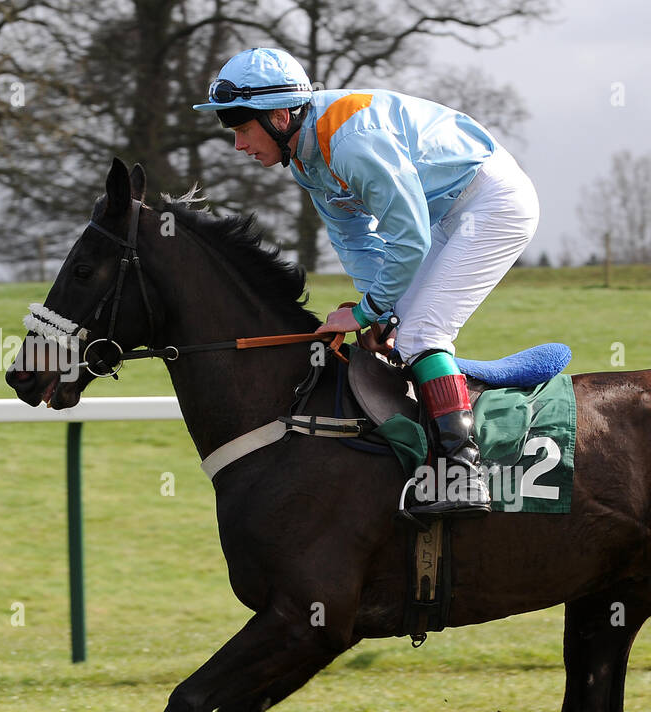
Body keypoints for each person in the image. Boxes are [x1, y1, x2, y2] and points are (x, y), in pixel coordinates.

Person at [194, 46, 540, 516]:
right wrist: (380, 311)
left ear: (278, 115)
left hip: (490, 204)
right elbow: (355, 239)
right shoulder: (304, 157)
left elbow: (409, 239)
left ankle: (463, 476)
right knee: (401, 333)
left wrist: (368, 311)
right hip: (445, 214)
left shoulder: (350, 141)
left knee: (422, 334)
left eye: (242, 128)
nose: (238, 145)